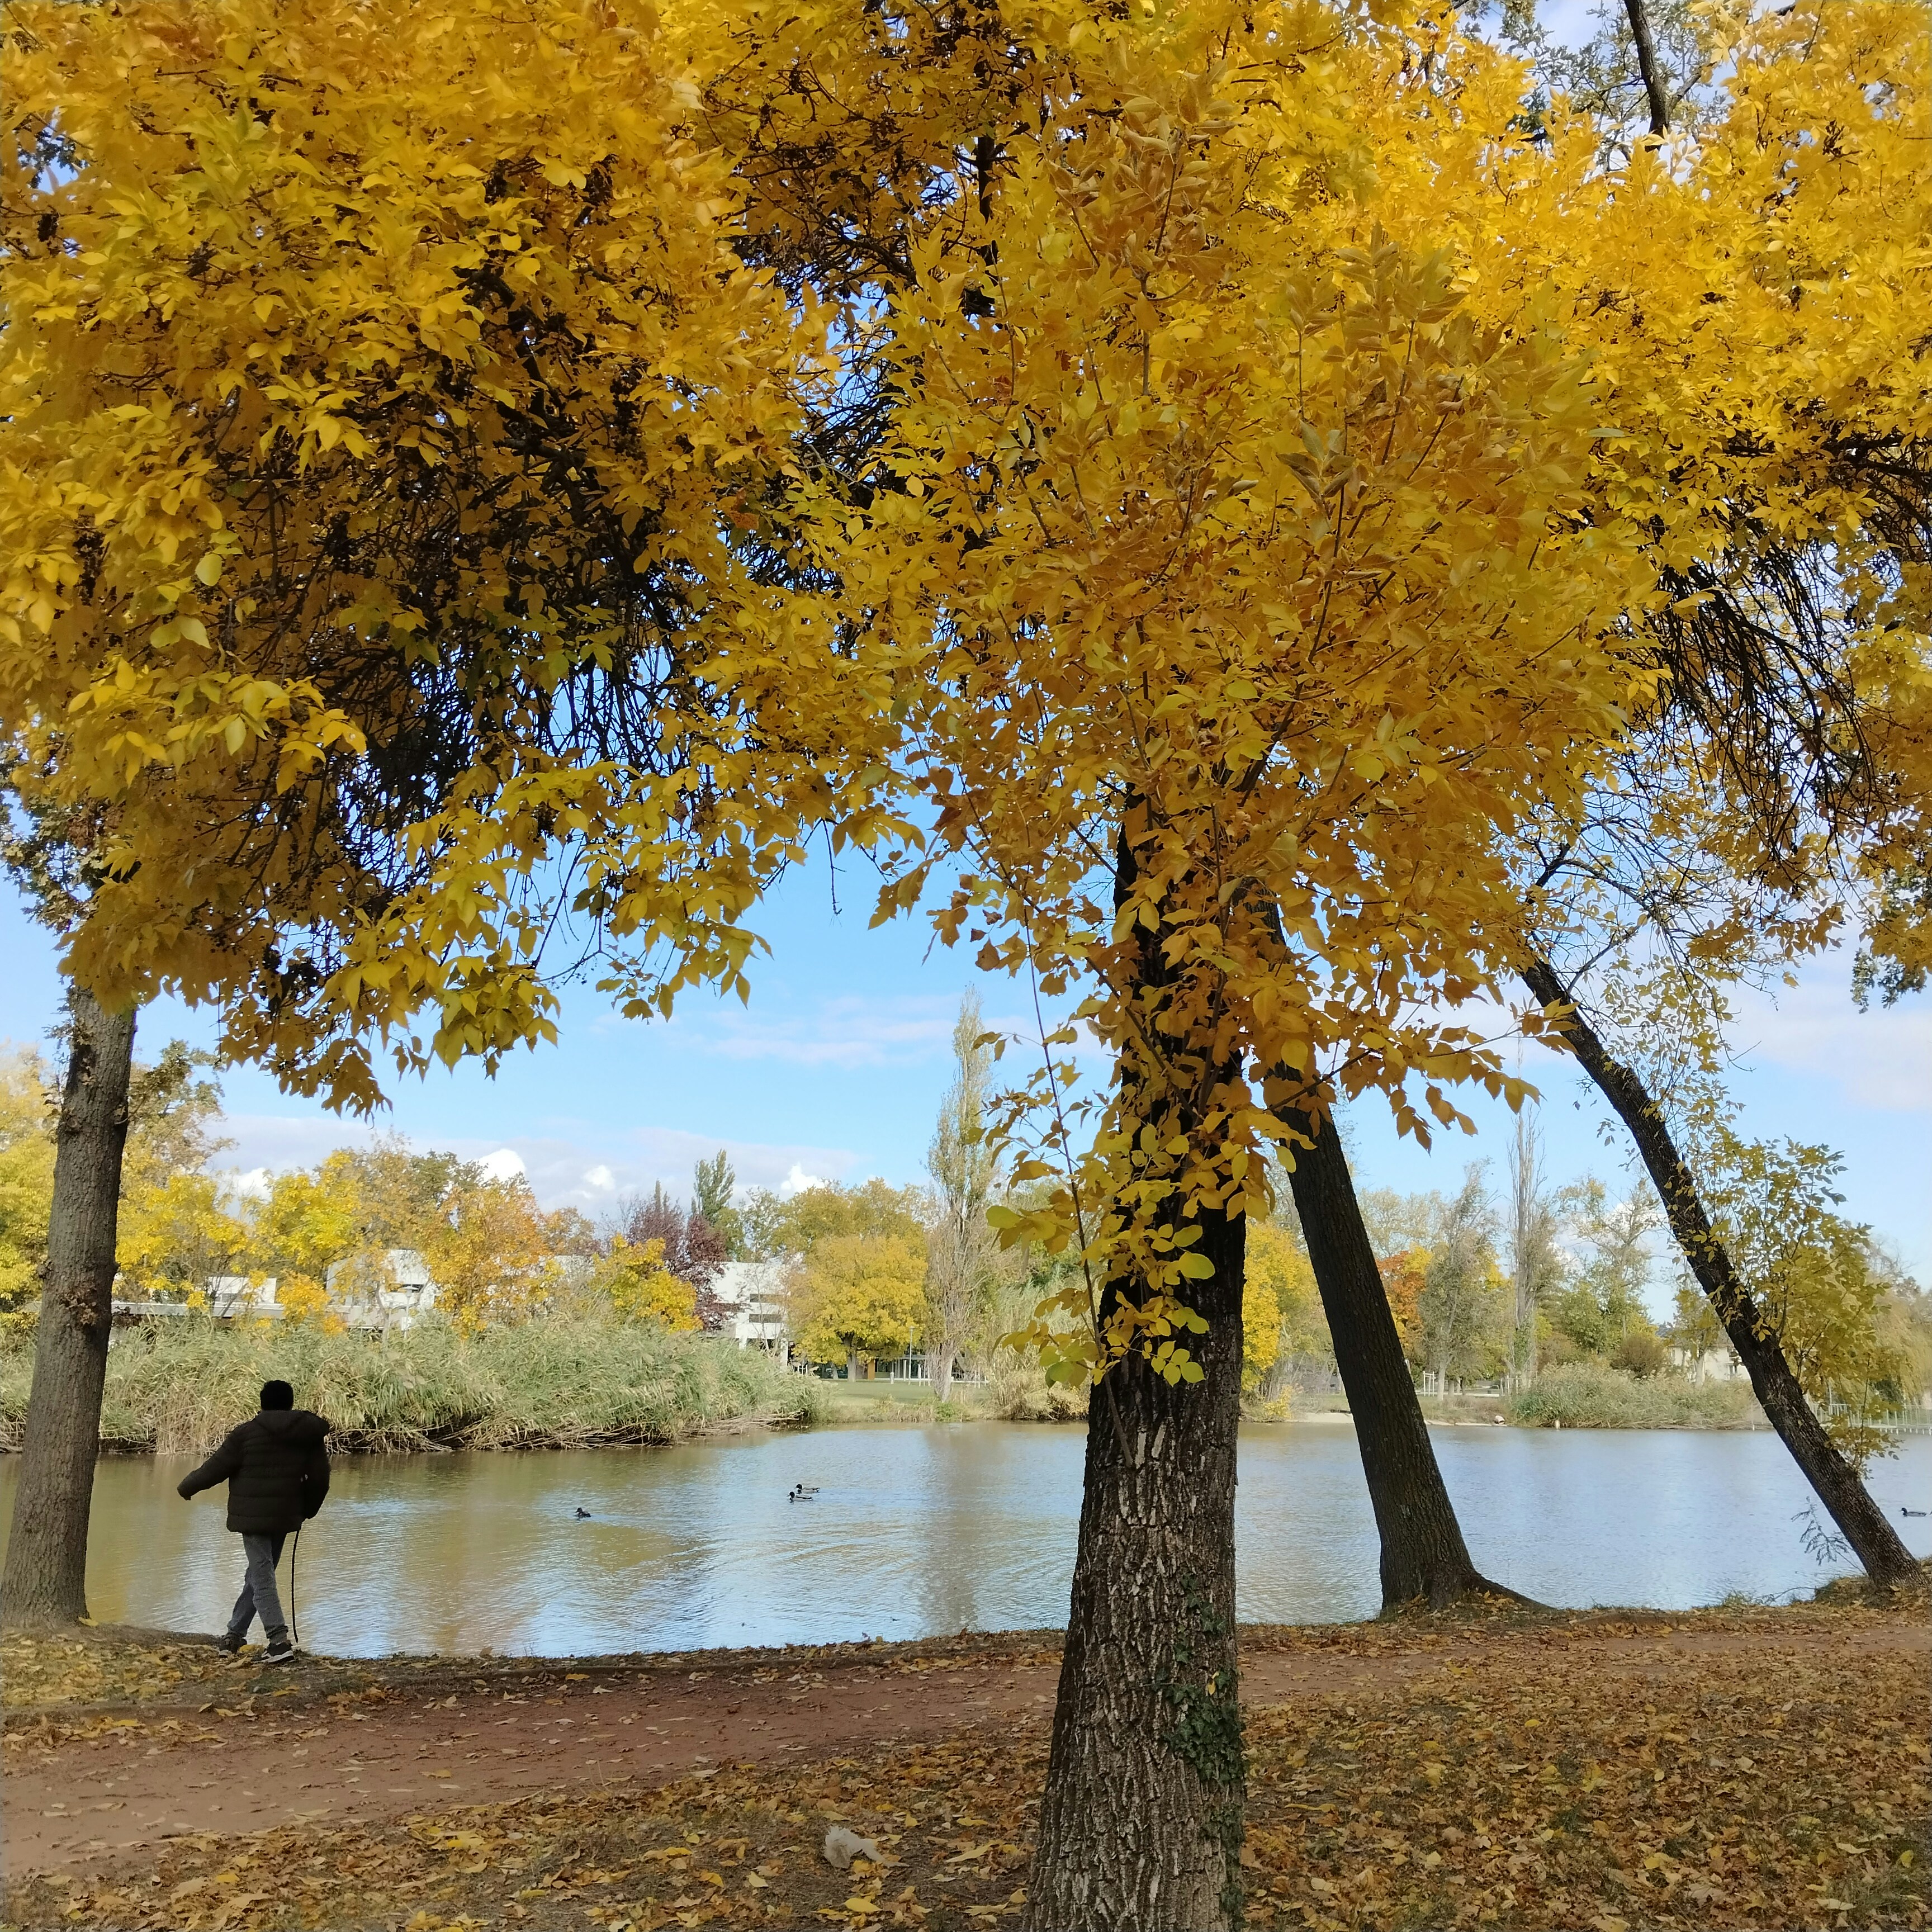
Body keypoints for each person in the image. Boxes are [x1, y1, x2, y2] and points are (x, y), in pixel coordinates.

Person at [178, 1379, 331, 1664]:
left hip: (252, 1518)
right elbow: (321, 1479)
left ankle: (278, 1641)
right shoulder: (308, 1436)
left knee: (262, 1575)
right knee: (261, 1573)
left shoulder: (246, 1434)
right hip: (285, 1516)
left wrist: (187, 1487)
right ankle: (234, 1636)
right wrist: (307, 1510)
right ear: (290, 1403)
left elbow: (215, 1468)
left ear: (262, 1403)